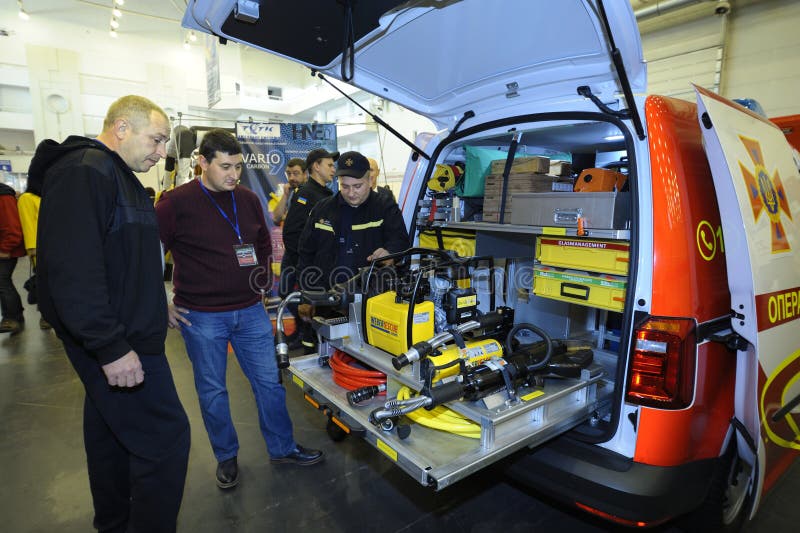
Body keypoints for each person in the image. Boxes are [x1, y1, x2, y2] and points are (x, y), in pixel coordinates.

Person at [35, 95, 191, 533]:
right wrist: (109, 347)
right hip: (121, 345)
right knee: (166, 440)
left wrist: (156, 297)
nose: (162, 152)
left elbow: (123, 256)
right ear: (122, 128)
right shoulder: (86, 171)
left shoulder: (119, 177)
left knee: (111, 440)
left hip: (129, 337)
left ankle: (115, 524)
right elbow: (72, 269)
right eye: (157, 139)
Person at [155, 129, 323, 491]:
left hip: (250, 311)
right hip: (200, 316)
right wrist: (159, 299)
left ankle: (282, 447)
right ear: (203, 162)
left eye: (238, 167)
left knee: (269, 384)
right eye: (226, 166)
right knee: (213, 390)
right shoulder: (174, 203)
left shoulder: (246, 199)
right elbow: (147, 252)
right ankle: (226, 456)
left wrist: (261, 281)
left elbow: (263, 242)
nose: (234, 174)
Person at [297, 150, 409, 297]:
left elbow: (401, 240)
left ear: (370, 181)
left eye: (357, 186)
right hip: (328, 299)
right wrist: (308, 294)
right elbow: (306, 254)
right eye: (345, 186)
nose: (351, 193)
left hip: (371, 298)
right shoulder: (322, 210)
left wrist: (390, 253)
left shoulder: (385, 207)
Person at [280, 148, 338, 353]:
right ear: (316, 166)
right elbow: (291, 231)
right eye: (329, 165)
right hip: (302, 262)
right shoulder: (305, 194)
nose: (333, 169)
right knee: (290, 295)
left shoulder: (328, 195)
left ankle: (308, 338)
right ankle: (304, 337)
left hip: (321, 265)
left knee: (317, 305)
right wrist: (303, 264)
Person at [17, 155, 53, 330]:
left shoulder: (46, 196)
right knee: (44, 286)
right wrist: (33, 251)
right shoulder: (27, 198)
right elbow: (28, 225)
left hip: (55, 249)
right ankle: (45, 316)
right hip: (40, 252)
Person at [0, 182, 25, 335]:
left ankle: (12, 317)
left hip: (6, 249)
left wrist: (5, 248)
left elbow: (12, 227)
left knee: (2, 281)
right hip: (5, 246)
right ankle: (15, 314)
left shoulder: (3, 196)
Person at [271, 157, 307, 225]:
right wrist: (285, 195)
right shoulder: (290, 191)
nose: (291, 178)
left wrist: (285, 217)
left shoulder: (311, 192)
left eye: (296, 173)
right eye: (289, 173)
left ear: (305, 174)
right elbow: (276, 218)